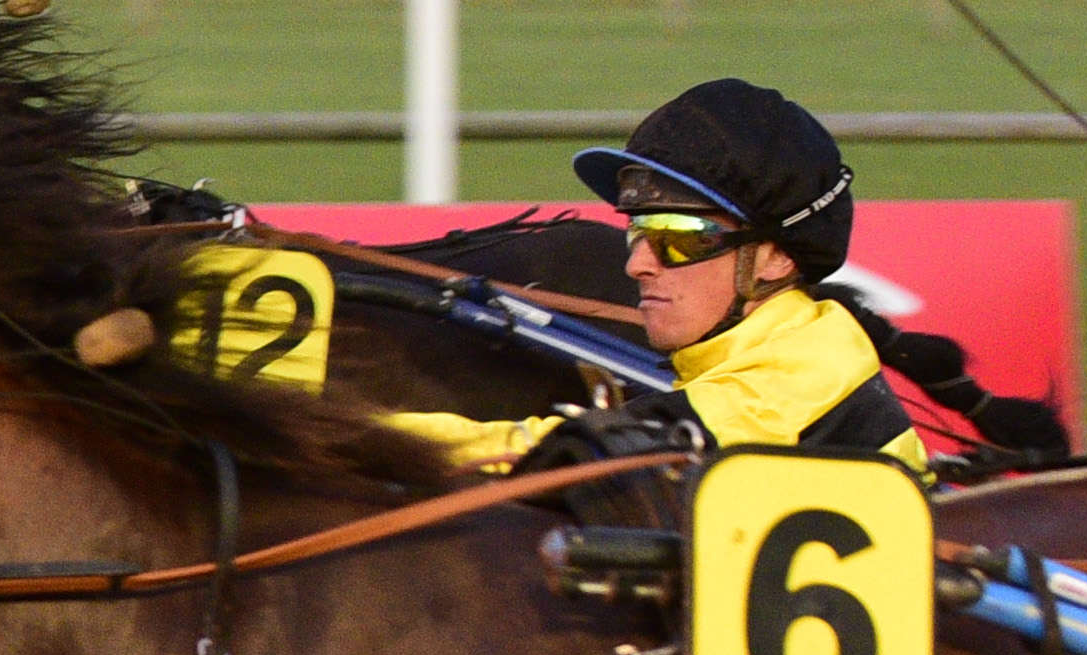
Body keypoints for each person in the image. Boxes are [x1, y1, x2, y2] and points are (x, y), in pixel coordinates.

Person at [385, 78, 926, 475]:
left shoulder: (785, 386)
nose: (637, 263)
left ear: (775, 258)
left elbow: (546, 460)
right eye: (636, 231)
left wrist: (347, 436)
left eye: (676, 236)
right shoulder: (789, 344)